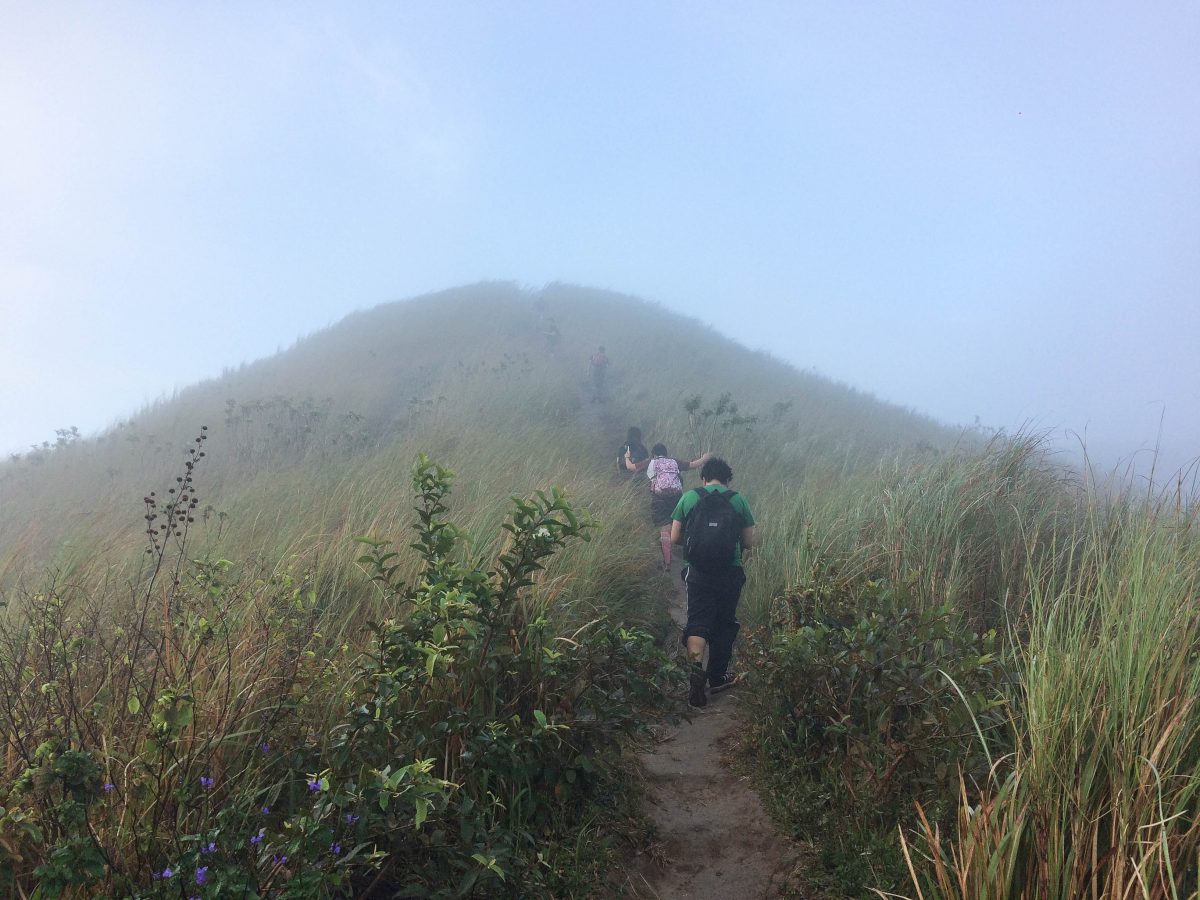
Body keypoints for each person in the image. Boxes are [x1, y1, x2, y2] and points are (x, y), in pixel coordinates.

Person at [670, 457, 755, 708]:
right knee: (724, 622)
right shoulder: (738, 500)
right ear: (727, 479)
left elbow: (674, 537)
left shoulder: (689, 497)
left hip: (697, 572)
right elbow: (749, 542)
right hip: (730, 571)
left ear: (704, 478)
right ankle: (717, 677)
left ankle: (696, 673)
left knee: (697, 621)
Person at [625, 443, 710, 570]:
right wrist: (704, 458)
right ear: (666, 453)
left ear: (653, 454)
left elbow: (630, 467)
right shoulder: (673, 461)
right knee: (676, 523)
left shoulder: (651, 462)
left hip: (659, 497)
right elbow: (692, 465)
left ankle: (667, 561)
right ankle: (687, 553)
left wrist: (627, 457)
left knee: (664, 529)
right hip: (676, 497)